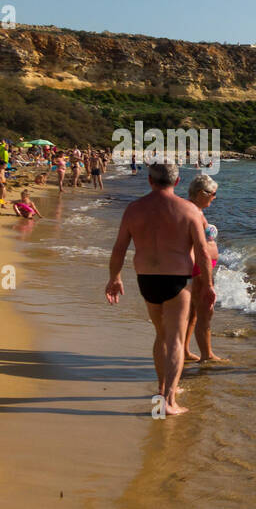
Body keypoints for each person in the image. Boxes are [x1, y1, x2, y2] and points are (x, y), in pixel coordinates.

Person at [106, 162, 212, 417]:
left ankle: (162, 387)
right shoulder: (189, 210)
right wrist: (208, 285)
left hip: (146, 279)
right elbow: (202, 251)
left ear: (150, 181)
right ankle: (168, 401)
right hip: (176, 279)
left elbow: (119, 247)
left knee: (161, 334)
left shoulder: (133, 209)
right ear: (177, 183)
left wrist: (114, 278)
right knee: (175, 339)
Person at [185, 174, 226, 363]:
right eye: (213, 194)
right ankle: (206, 355)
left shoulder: (196, 210)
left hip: (201, 265)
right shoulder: (192, 211)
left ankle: (185, 350)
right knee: (205, 311)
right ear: (202, 193)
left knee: (194, 311)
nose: (215, 197)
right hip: (201, 267)